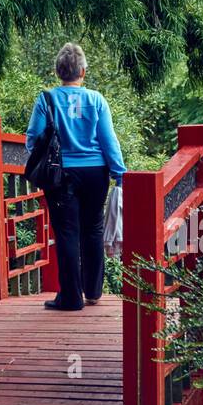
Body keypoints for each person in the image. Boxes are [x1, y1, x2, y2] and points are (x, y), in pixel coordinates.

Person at [25, 43, 126, 312]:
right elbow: (108, 140)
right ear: (82, 71)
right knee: (92, 228)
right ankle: (93, 292)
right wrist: (120, 173)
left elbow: (33, 138)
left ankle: (70, 297)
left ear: (59, 71)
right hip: (96, 173)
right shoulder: (96, 100)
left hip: (61, 174)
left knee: (67, 232)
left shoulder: (46, 100)